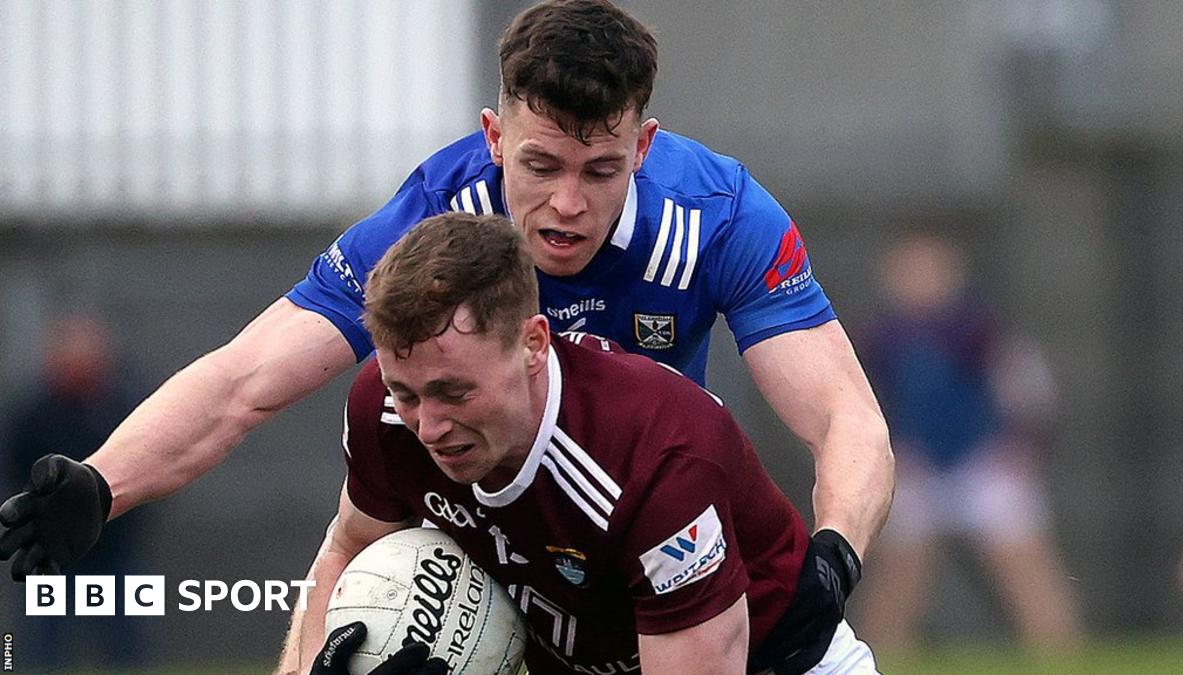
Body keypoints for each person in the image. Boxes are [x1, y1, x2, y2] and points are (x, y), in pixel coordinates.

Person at [0, 0, 892, 614]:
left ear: (645, 145)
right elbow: (248, 379)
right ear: (493, 136)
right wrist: (105, 480)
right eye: (540, 166)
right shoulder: (434, 217)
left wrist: (836, 549)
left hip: (651, 545)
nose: (569, 205)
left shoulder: (718, 218)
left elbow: (844, 413)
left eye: (602, 170)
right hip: (488, 565)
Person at [281, 212, 879, 674]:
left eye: (454, 392)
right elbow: (347, 548)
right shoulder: (384, 413)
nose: (429, 425)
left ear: (534, 345)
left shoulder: (657, 464)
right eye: (407, 392)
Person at [855, 233, 1081, 650]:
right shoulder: (881, 338)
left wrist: (1021, 447)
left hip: (983, 462)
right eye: (907, 272)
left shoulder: (979, 330)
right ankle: (884, 656)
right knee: (898, 580)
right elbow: (866, 404)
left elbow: (1029, 390)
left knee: (1026, 570)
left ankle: (1060, 655)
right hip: (916, 468)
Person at [2, 314, 151, 667]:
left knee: (127, 649)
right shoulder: (34, 412)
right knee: (41, 651)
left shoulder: (122, 406)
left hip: (113, 549)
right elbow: (14, 468)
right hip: (52, 553)